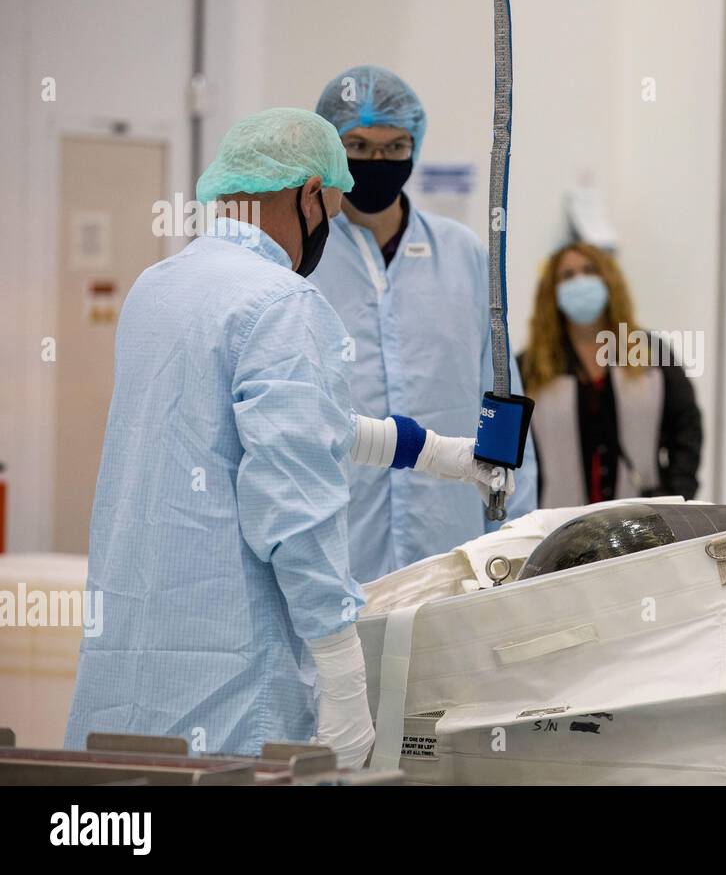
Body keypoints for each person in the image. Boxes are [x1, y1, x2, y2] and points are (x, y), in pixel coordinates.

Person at [64, 108, 510, 763]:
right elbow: (295, 503)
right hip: (232, 681)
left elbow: (273, 427)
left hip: (131, 666)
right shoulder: (280, 302)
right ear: (307, 195)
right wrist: (340, 667)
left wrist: (436, 453)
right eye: (329, 209)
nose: (327, 226)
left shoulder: (158, 288)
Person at [310, 65, 537, 582]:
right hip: (336, 546)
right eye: (359, 145)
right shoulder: (304, 258)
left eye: (395, 147)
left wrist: (517, 532)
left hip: (451, 543)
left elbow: (498, 394)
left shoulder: (461, 255)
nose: (377, 161)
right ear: (330, 150)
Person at [520, 241, 702, 506]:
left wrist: (676, 497)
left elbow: (687, 426)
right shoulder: (530, 367)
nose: (580, 281)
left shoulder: (651, 353)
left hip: (644, 523)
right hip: (558, 526)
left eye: (590, 270)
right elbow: (516, 454)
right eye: (567, 275)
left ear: (608, 281)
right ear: (551, 291)